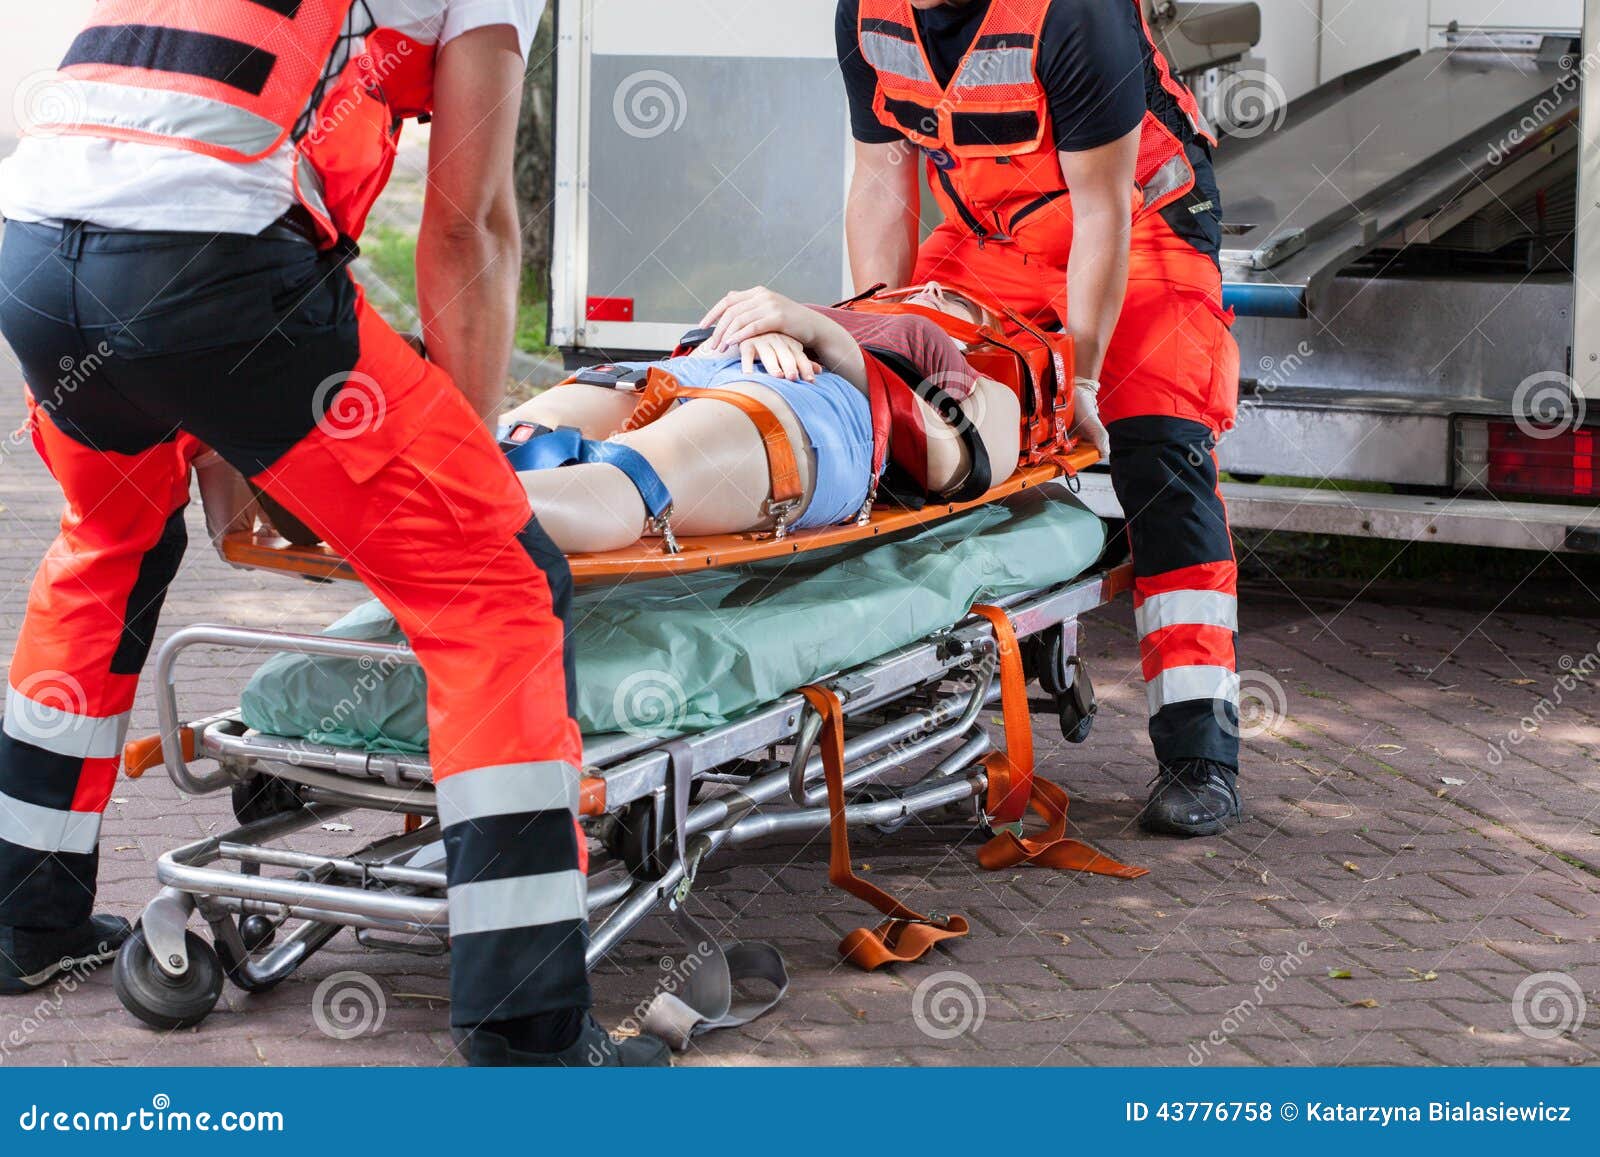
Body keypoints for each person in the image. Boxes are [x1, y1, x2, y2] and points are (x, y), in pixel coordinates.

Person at [0, 0, 665, 1066]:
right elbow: (466, 224)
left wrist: (222, 429)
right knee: (495, 582)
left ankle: (24, 921)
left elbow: (181, 131)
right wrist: (465, 470)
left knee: (106, 542)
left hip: (36, 258)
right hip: (210, 268)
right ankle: (527, 1030)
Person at [837, 0, 1245, 836]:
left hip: (1141, 230)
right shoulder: (866, 12)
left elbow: (1103, 213)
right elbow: (881, 185)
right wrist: (884, 336)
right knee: (921, 427)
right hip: (990, 241)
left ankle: (1200, 750)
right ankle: (997, 658)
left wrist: (1082, 382)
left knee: (1157, 452)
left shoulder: (1075, 13)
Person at [503, 285, 1020, 552]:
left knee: (627, 477)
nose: (930, 288)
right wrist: (768, 325)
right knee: (514, 441)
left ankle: (431, 524)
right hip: (698, 363)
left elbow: (959, 471)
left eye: (954, 299)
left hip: (817, 404)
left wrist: (824, 335)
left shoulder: (980, 381)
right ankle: (432, 495)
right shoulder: (829, 310)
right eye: (927, 289)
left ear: (978, 337)